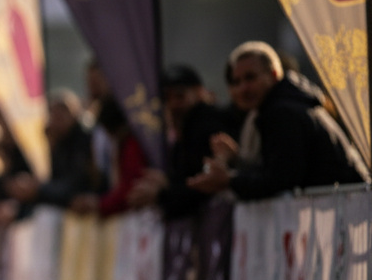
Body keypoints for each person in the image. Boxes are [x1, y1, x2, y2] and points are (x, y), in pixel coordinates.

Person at [188, 41, 369, 199]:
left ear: (274, 74)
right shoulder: (280, 106)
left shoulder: (283, 112)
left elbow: (281, 180)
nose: (243, 88)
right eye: (235, 82)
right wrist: (237, 164)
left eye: (250, 77)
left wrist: (230, 180)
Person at [129, 64, 234, 218]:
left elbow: (202, 184)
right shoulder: (183, 131)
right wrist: (167, 183)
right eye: (166, 98)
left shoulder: (208, 128)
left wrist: (162, 195)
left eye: (179, 96)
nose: (172, 104)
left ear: (199, 92)